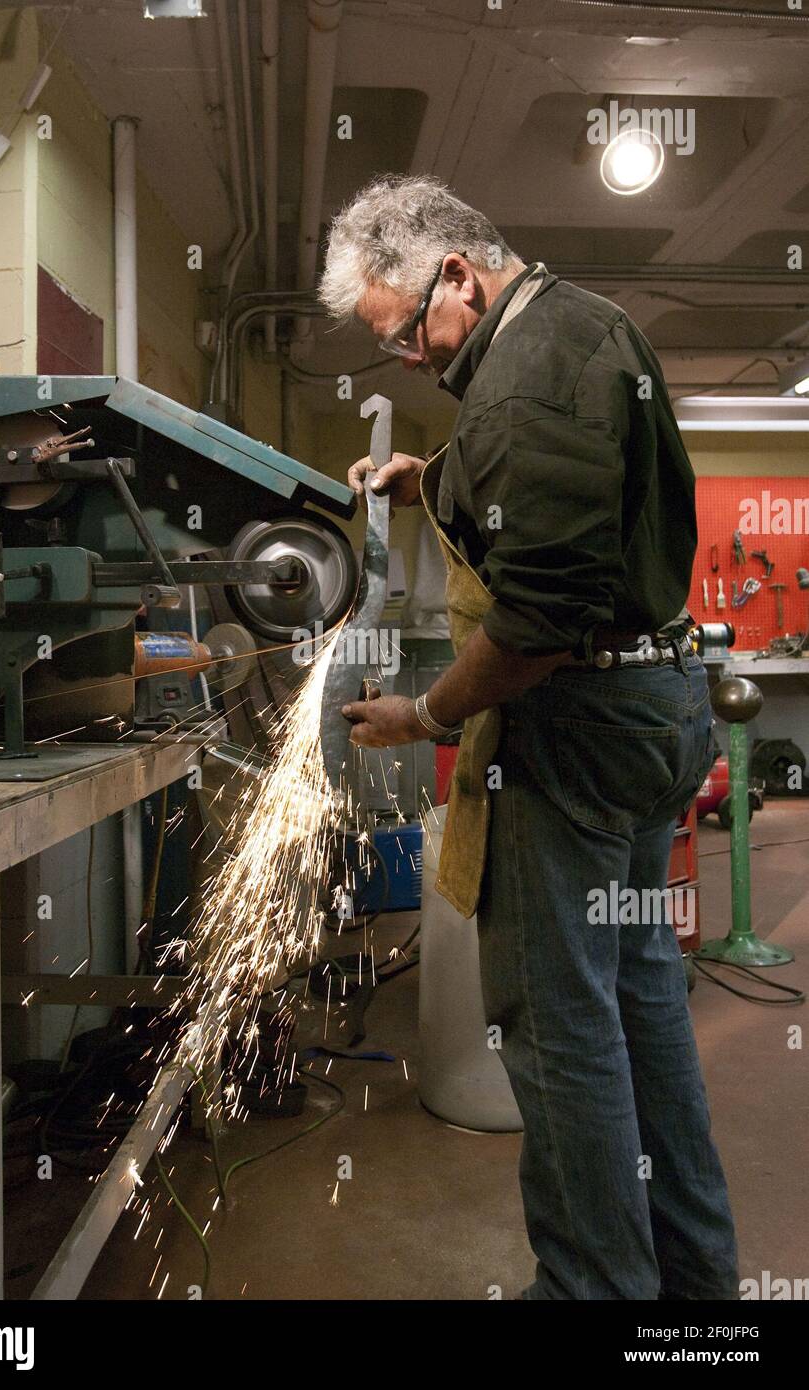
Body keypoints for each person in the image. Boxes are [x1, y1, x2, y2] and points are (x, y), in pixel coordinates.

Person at [317, 174, 738, 1301]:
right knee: (639, 995)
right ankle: (693, 1290)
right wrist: (429, 478)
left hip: (577, 729)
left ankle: (594, 1288)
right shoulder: (580, 323)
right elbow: (554, 486)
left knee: (553, 1030)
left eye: (405, 330)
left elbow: (538, 623)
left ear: (455, 272)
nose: (406, 355)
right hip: (654, 713)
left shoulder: (512, 388)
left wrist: (426, 715)